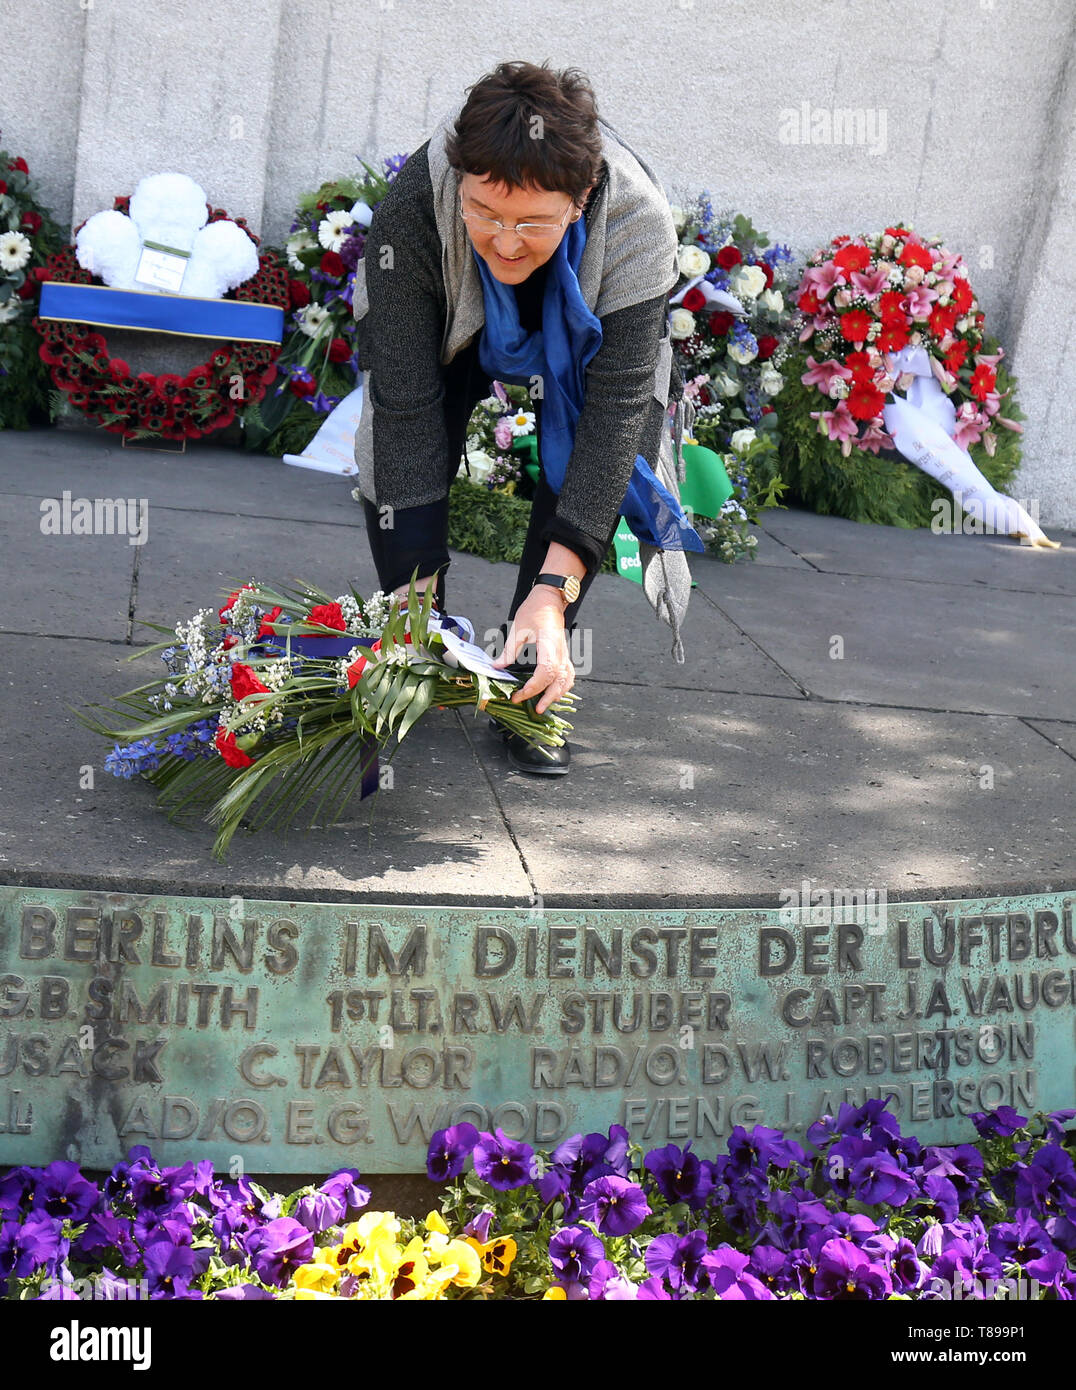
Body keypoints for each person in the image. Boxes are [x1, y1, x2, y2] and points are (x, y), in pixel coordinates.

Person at [352, 60, 702, 777]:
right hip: (455, 323)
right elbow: (406, 408)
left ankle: (529, 674)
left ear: (579, 200)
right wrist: (412, 595)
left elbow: (614, 425)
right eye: (484, 213)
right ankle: (421, 651)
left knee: (591, 449)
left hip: (589, 359)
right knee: (409, 432)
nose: (506, 242)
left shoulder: (638, 228)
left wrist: (556, 591)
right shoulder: (415, 206)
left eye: (532, 223)